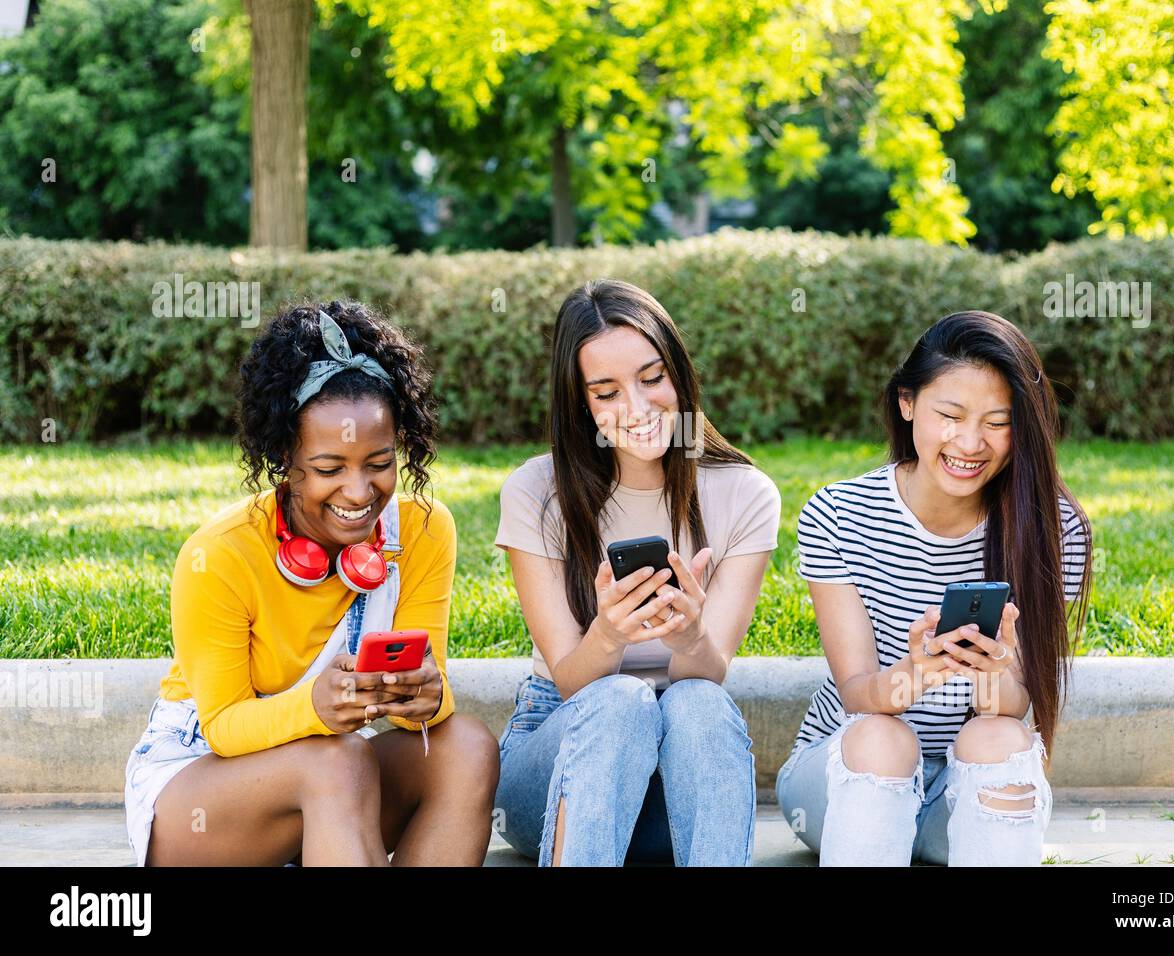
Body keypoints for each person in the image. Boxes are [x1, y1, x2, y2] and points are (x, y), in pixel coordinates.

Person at [123, 300, 499, 866]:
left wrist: (425, 696)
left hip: (335, 781)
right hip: (201, 786)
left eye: (379, 463)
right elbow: (224, 725)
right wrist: (314, 711)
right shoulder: (220, 553)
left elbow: (421, 699)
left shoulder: (423, 529)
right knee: (338, 759)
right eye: (329, 469)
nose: (359, 491)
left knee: (466, 747)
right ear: (284, 456)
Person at [777, 310, 1093, 866]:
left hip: (957, 795)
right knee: (884, 737)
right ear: (907, 403)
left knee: (999, 737)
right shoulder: (837, 514)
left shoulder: (1054, 529)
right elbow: (856, 693)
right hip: (844, 780)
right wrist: (912, 677)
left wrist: (992, 677)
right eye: (950, 414)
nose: (971, 443)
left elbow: (1016, 706)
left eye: (999, 421)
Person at [492, 278, 781, 866]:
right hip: (560, 765)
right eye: (606, 392)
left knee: (698, 701)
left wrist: (689, 636)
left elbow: (709, 672)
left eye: (652, 379)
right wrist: (610, 635)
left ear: (678, 372)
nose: (638, 408)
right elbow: (573, 680)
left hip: (677, 785)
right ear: (581, 405)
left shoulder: (745, 494)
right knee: (619, 699)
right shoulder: (537, 491)